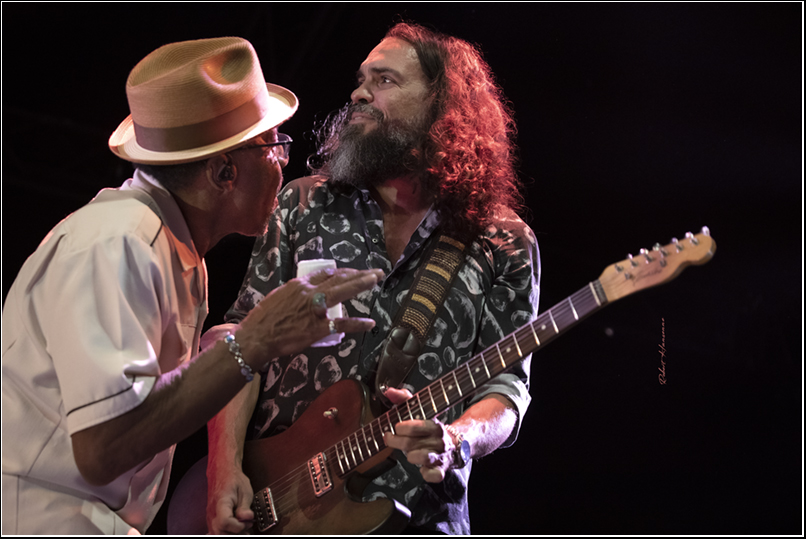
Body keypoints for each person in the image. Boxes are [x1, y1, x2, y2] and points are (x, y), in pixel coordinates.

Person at [1, 36, 383, 535]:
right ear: (224, 171)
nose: (284, 161)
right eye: (274, 145)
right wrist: (255, 341)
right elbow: (102, 449)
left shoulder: (173, 250)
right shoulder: (117, 243)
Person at [205, 22, 540, 535]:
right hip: (275, 507)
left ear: (441, 107)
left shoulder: (503, 241)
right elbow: (238, 342)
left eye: (383, 81)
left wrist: (458, 439)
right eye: (361, 80)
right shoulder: (302, 203)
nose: (359, 93)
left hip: (418, 515)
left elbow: (507, 386)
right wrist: (223, 469)